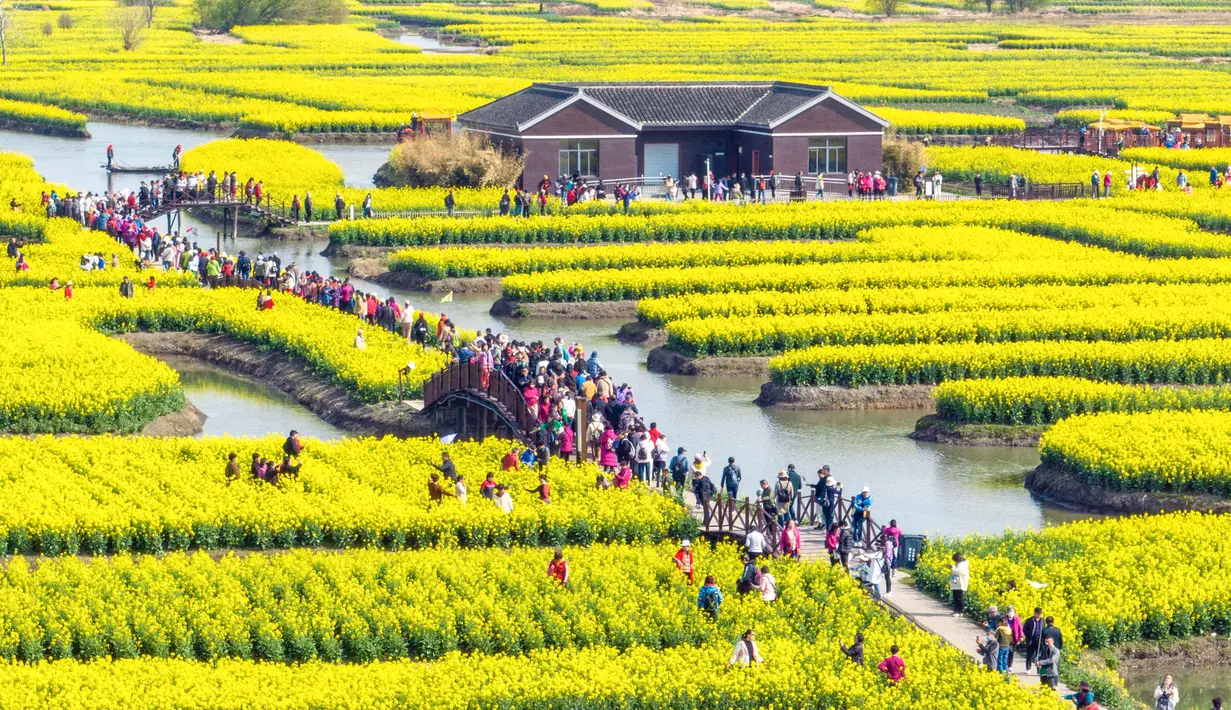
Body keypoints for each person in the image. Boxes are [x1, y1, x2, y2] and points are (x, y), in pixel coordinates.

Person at [1023, 607, 1046, 674]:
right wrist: (1029, 634)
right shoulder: (1029, 620)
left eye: (1040, 614)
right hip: (1031, 640)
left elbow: (1044, 629)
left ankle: (1038, 670)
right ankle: (1028, 668)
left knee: (1039, 655)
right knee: (1029, 655)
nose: (1038, 615)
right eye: (1037, 613)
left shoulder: (1043, 621)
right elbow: (1024, 630)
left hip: (1039, 641)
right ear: (1034, 613)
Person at [949, 553, 970, 617]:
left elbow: (958, 572)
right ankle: (956, 610)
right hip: (956, 583)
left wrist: (951, 567)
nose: (955, 561)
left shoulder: (963, 565)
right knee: (955, 597)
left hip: (961, 583)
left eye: (955, 560)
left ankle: (960, 611)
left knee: (959, 598)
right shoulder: (959, 564)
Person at [1005, 605, 1024, 670]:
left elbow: (1020, 627)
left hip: (1013, 637)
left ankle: (1010, 665)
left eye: (1012, 611)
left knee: (1011, 652)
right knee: (1006, 651)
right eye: (1009, 611)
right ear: (1007, 612)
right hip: (1005, 637)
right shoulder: (1004, 618)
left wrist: (1021, 636)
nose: (1011, 613)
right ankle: (1005, 664)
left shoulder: (1017, 619)